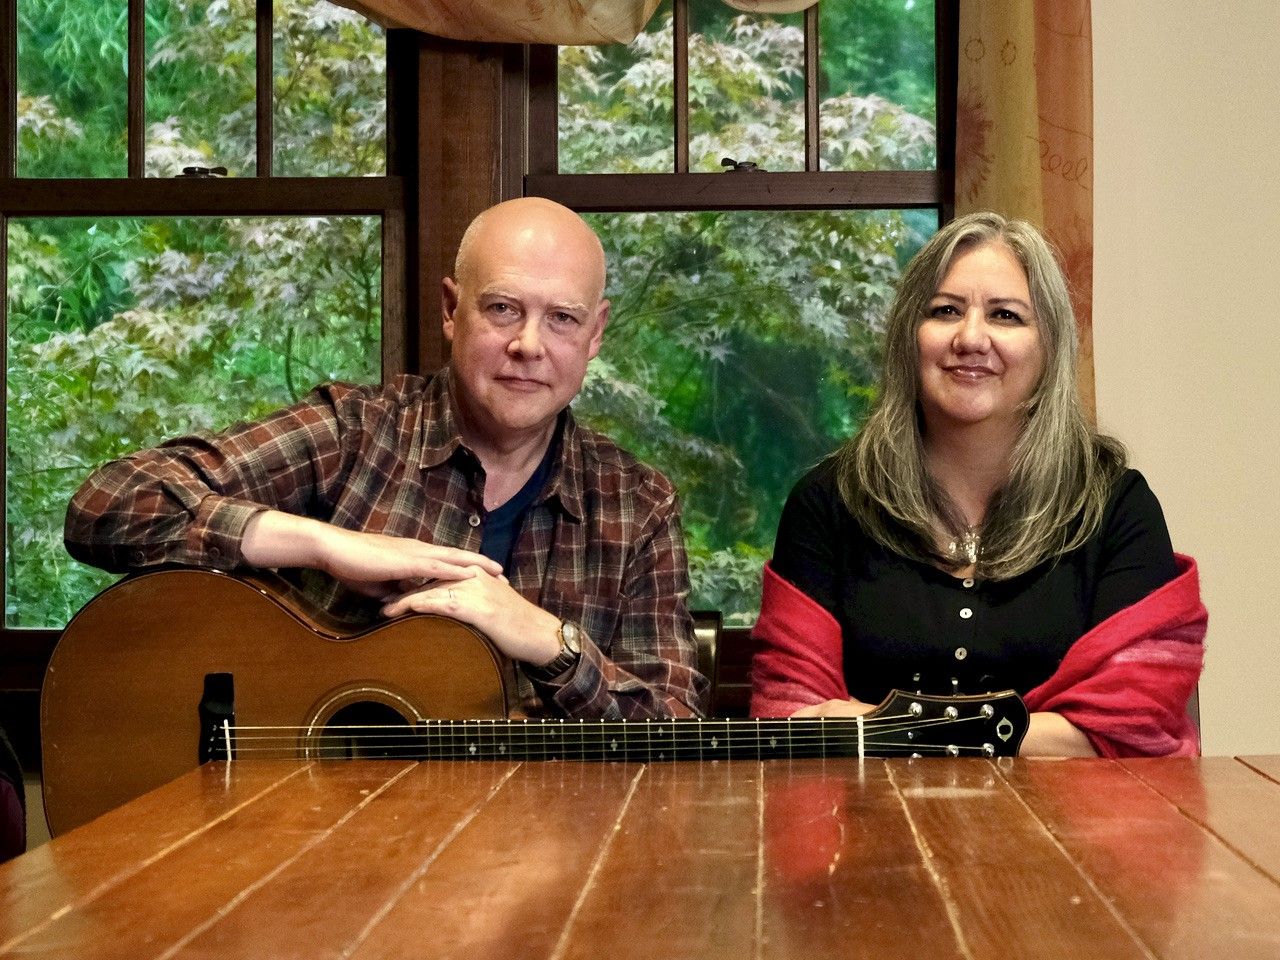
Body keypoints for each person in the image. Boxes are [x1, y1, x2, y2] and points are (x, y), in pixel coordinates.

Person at [64, 197, 706, 720]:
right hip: (303, 841)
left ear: (595, 334)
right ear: (452, 311)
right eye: (503, 309)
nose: (528, 345)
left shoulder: (638, 506)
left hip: (539, 854)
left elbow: (678, 730)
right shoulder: (355, 434)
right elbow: (107, 504)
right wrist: (324, 546)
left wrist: (549, 643)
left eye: (562, 318)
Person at [749, 212, 1205, 757]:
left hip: (1076, 836)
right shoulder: (827, 504)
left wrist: (883, 727)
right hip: (868, 833)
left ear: (1049, 347)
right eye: (945, 311)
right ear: (908, 338)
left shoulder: (1115, 506)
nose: (971, 338)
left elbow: (1134, 726)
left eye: (1005, 316)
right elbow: (792, 720)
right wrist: (1038, 734)